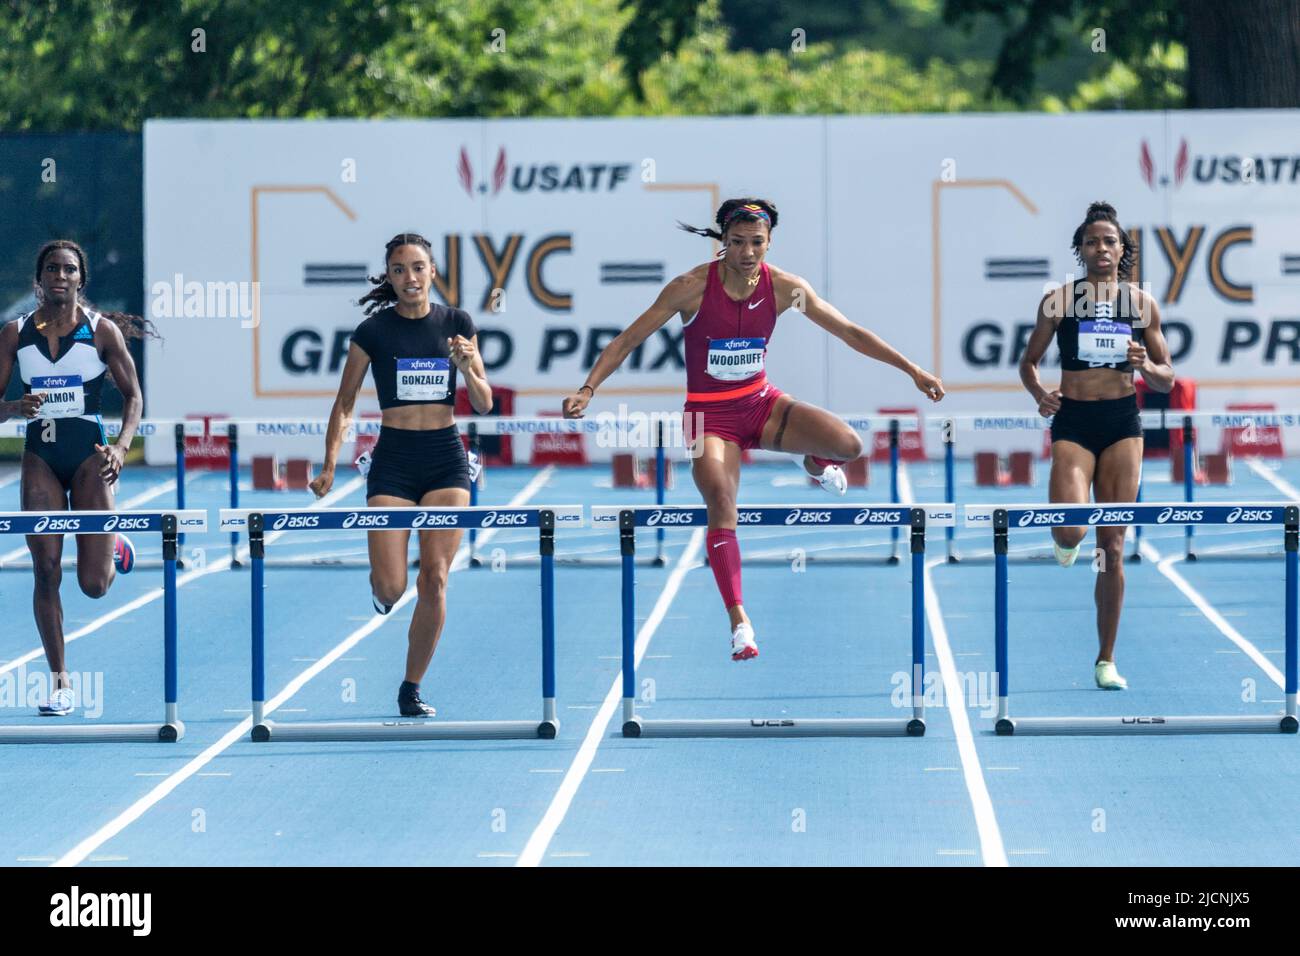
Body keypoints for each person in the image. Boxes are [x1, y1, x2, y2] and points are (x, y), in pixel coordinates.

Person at [563, 198, 943, 661]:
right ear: (723, 241)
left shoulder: (785, 288)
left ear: (769, 242)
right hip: (710, 417)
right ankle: (739, 621)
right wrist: (588, 388)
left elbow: (849, 332)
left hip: (762, 405)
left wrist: (912, 370)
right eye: (737, 242)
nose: (747, 252)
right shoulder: (689, 288)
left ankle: (815, 461)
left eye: (756, 243)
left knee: (850, 444)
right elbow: (627, 340)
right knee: (722, 504)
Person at [310, 232, 492, 718]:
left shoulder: (457, 324)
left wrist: (467, 366)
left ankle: (410, 687)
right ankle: (383, 594)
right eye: (399, 270)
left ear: (432, 271)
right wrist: (329, 463)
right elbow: (345, 402)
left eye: (418, 267)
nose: (409, 277)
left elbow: (484, 401)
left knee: (434, 578)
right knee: (391, 587)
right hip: (392, 459)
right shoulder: (373, 332)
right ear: (389, 277)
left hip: (445, 458)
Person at [1019, 201, 1174, 690]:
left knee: (1113, 543)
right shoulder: (1058, 301)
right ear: (1080, 250)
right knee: (1071, 532)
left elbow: (1168, 379)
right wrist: (1041, 394)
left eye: (1110, 241)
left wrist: (1144, 365)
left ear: (1123, 249)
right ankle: (1063, 541)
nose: (1101, 248)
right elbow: (1028, 363)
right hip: (1074, 422)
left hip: (1122, 423)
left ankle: (1105, 659)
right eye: (1092, 241)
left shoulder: (1142, 305)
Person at [0, 240, 150, 716]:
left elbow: (134, 397)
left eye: (68, 269)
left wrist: (122, 447)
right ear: (39, 279)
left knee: (94, 586)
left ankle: (115, 548)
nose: (60, 276)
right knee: (45, 571)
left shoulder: (101, 332)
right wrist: (11, 408)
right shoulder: (13, 334)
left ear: (80, 280)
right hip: (40, 458)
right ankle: (61, 681)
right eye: (51, 268)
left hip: (89, 459)